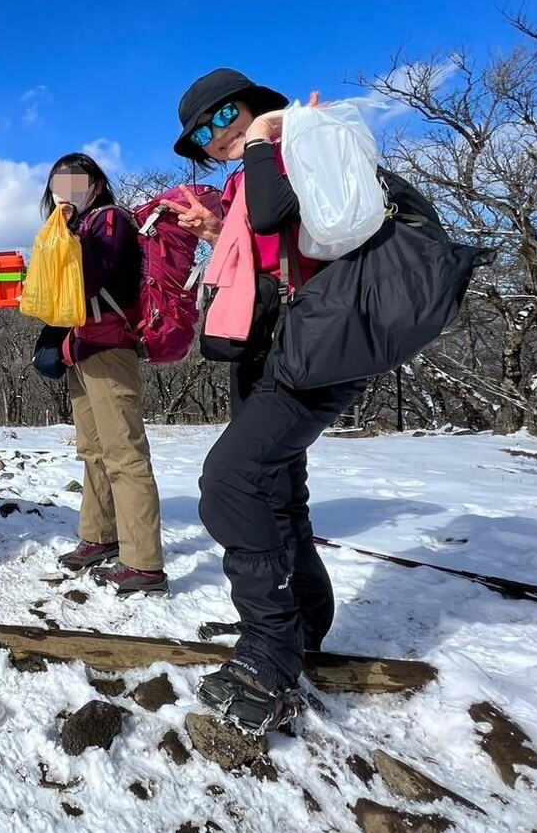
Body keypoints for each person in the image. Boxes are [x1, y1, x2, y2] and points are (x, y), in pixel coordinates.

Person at [165, 68, 369, 733]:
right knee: (277, 490)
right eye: (201, 132)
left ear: (256, 104)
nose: (214, 135)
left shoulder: (281, 145)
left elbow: (280, 210)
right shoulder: (246, 170)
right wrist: (214, 226)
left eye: (225, 115)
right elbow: (269, 237)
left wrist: (261, 138)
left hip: (306, 346)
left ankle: (269, 653)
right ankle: (303, 623)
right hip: (264, 348)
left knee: (229, 481)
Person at [41, 155, 168, 595]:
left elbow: (88, 279)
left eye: (74, 182)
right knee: (94, 450)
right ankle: (99, 536)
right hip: (84, 349)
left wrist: (66, 230)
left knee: (125, 455)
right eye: (59, 184)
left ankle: (144, 562)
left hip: (111, 349)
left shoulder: (109, 220)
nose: (65, 190)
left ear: (95, 184)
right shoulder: (80, 226)